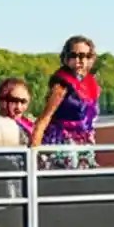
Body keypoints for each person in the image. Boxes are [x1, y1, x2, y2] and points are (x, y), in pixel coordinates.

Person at [28, 35, 100, 169]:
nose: (79, 60)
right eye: (74, 55)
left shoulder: (91, 84)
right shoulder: (61, 85)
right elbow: (45, 118)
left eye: (84, 56)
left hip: (84, 143)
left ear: (91, 59)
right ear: (66, 59)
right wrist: (33, 152)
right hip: (62, 144)